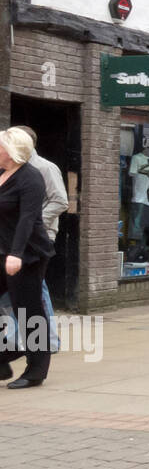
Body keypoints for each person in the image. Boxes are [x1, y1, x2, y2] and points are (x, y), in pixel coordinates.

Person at [0, 127, 65, 349]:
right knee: (18, 296)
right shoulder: (4, 171)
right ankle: (14, 343)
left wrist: (37, 223)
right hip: (10, 242)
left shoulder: (44, 168)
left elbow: (60, 201)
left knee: (36, 294)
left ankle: (49, 342)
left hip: (37, 240)